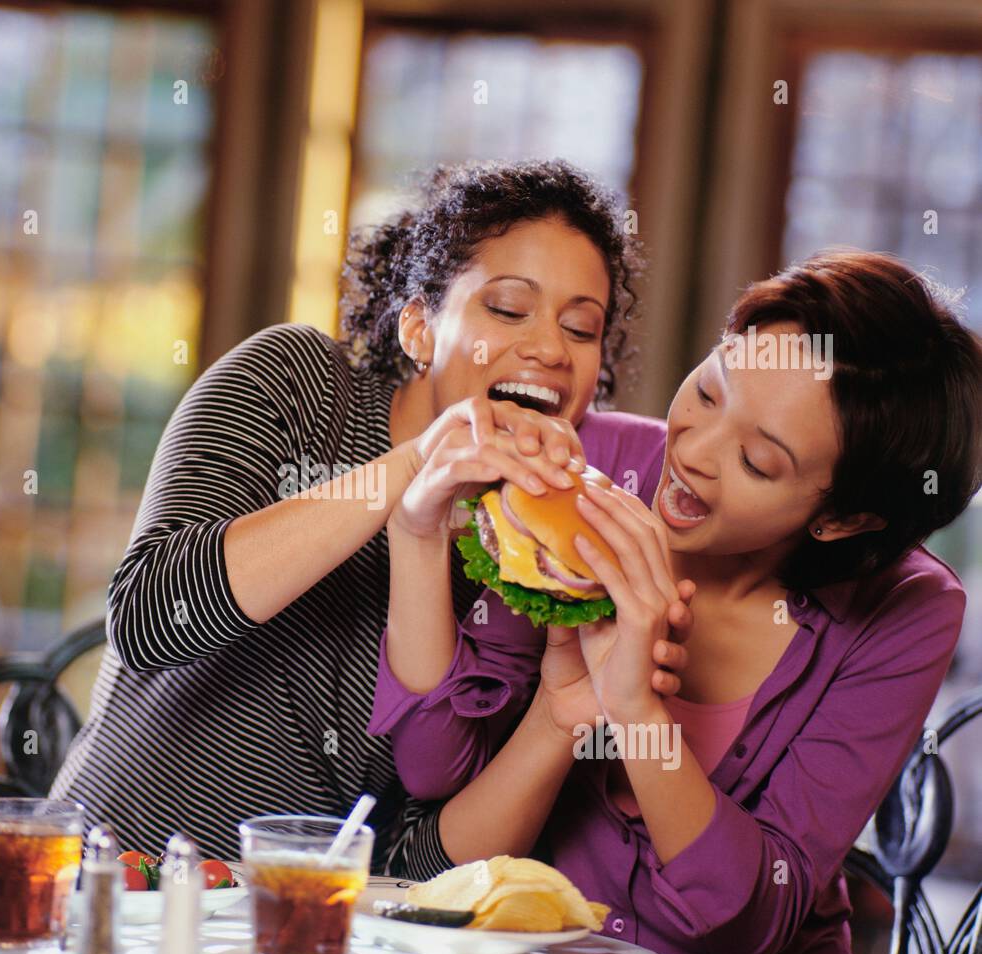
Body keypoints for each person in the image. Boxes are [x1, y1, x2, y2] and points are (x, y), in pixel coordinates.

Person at [49, 158, 681, 873]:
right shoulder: (299, 383)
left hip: (303, 928)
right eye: (507, 308)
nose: (547, 349)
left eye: (581, 327)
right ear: (417, 326)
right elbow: (150, 617)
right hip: (114, 884)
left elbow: (419, 863)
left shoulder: (536, 558)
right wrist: (414, 468)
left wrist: (562, 718)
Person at [374, 249, 982, 954]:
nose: (694, 452)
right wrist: (416, 535)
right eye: (712, 390)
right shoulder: (590, 468)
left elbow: (748, 922)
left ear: (844, 519)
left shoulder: (906, 608)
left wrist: (637, 712)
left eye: (759, 462)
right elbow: (434, 766)